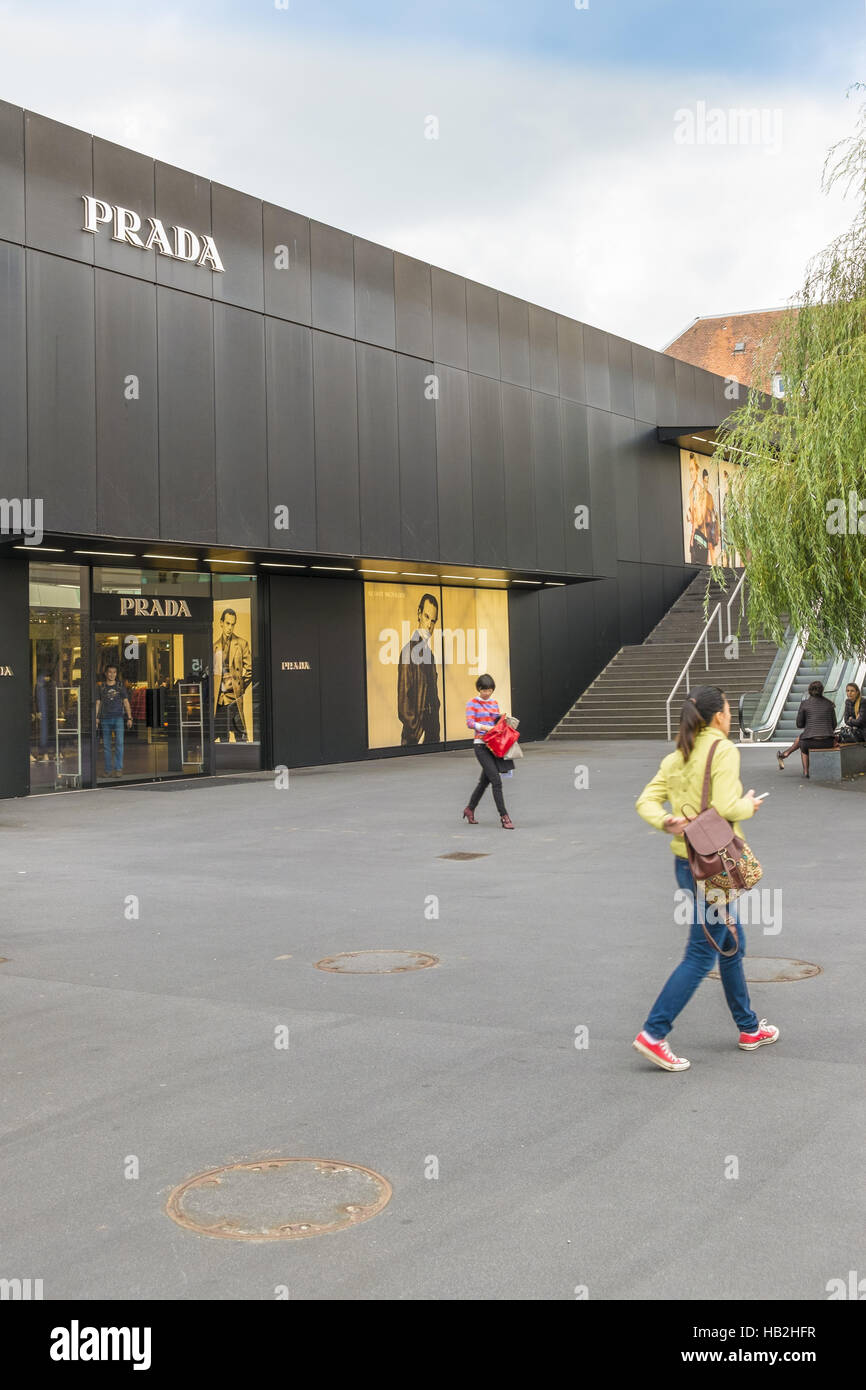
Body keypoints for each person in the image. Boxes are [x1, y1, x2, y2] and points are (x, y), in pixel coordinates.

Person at [633, 685, 778, 1072]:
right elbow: (728, 806)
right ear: (719, 717)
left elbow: (645, 800)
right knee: (703, 952)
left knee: (732, 941)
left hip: (686, 863)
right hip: (715, 868)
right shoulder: (724, 750)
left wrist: (667, 821)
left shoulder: (676, 756)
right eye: (730, 711)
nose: (731, 717)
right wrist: (750, 804)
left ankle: (748, 1027)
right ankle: (653, 1032)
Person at [462, 674, 514, 829]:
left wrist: (503, 721)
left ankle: (470, 809)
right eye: (484, 690)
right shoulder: (472, 703)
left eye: (490, 690)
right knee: (496, 781)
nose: (487, 693)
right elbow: (470, 723)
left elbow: (496, 722)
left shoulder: (494, 703)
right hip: (480, 745)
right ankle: (504, 817)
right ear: (479, 689)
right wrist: (486, 728)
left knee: (484, 782)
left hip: (494, 745)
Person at [397, 593, 441, 745]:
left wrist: (434, 728)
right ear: (419, 614)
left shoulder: (430, 655)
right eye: (427, 617)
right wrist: (418, 732)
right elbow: (403, 704)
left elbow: (433, 697)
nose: (429, 625)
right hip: (415, 738)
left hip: (432, 734)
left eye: (433, 621)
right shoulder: (408, 652)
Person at [213, 608, 252, 742]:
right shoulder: (215, 646)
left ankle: (243, 760)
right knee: (222, 736)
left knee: (239, 735)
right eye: (228, 623)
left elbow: (250, 670)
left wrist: (240, 687)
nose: (230, 627)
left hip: (234, 698)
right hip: (220, 700)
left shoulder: (242, 643)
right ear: (221, 623)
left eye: (233, 624)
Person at [789, 679, 837, 777]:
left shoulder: (805, 704)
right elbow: (834, 724)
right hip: (828, 742)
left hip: (809, 742)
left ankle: (806, 771)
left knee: (802, 743)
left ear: (809, 691)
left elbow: (799, 724)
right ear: (822, 691)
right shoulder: (829, 704)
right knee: (803, 738)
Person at [95, 665, 133, 778]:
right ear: (106, 673)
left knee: (119, 744)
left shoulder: (120, 686)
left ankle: (118, 769)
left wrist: (130, 717)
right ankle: (107, 770)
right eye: (110, 672)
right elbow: (98, 703)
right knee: (106, 746)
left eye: (114, 672)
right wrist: (96, 718)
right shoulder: (101, 687)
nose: (112, 674)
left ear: (116, 674)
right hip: (105, 719)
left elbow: (126, 702)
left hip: (118, 718)